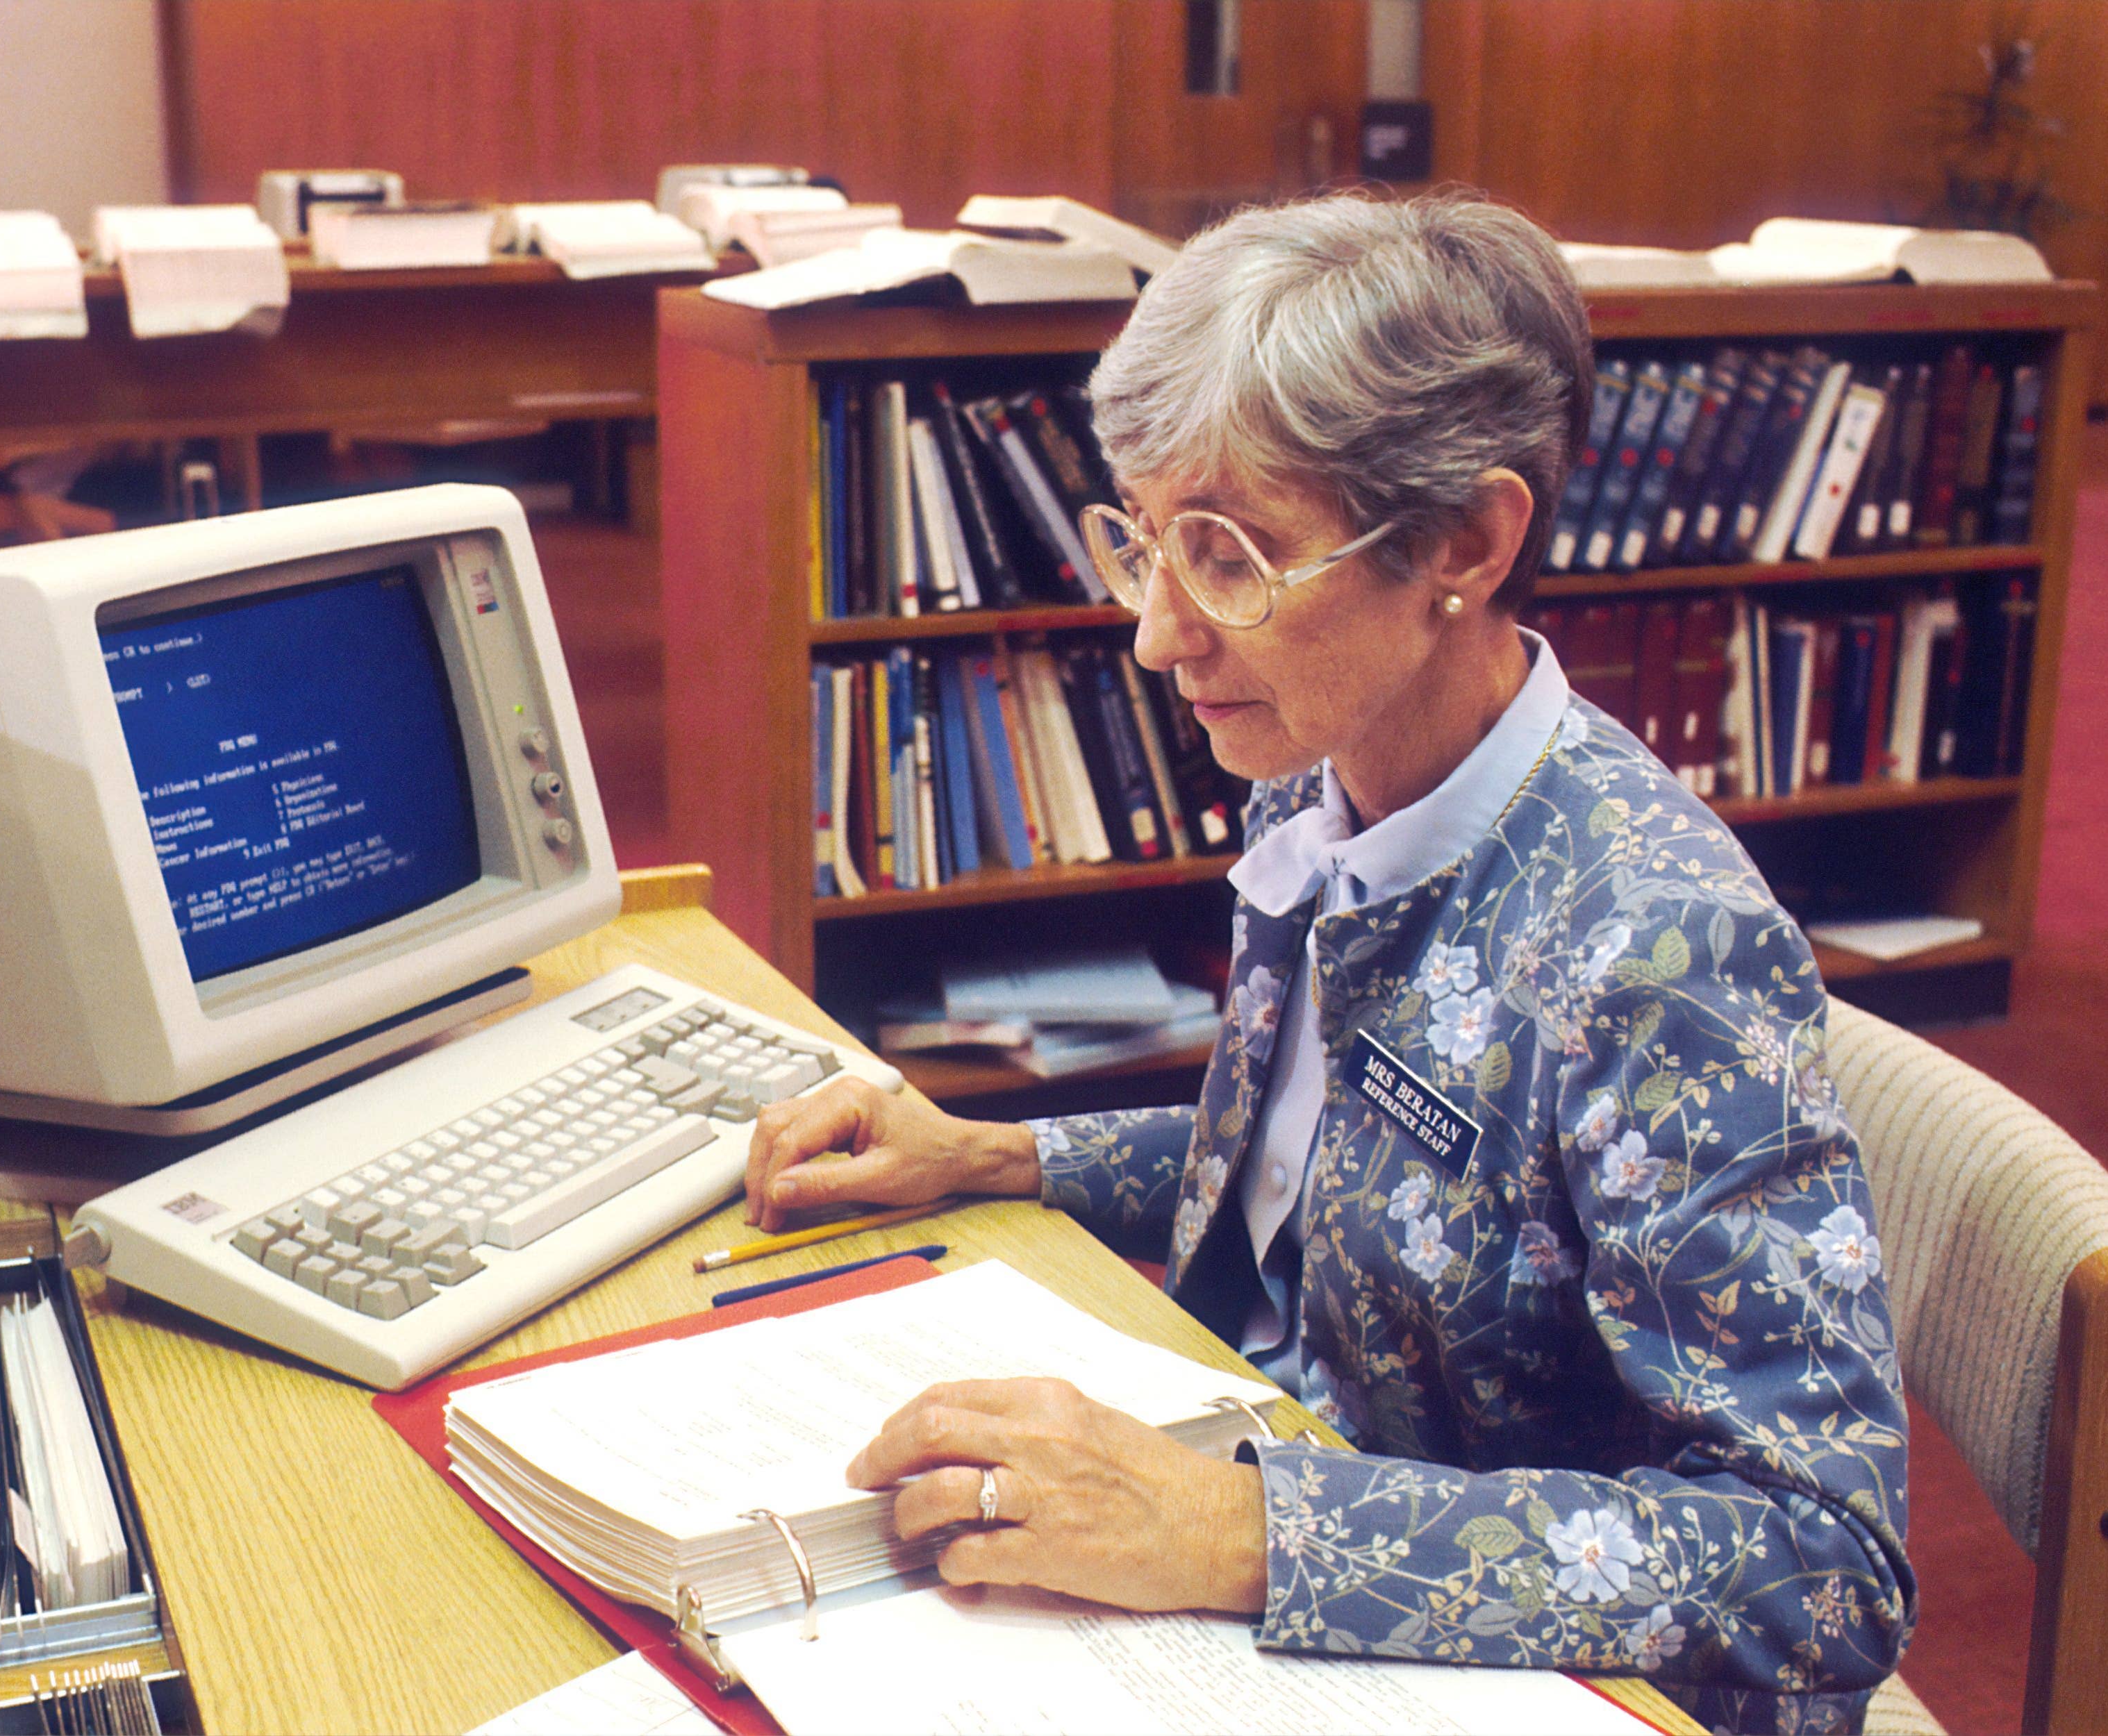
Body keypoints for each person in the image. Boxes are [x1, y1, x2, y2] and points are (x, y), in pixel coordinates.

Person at [745, 190, 1914, 1736]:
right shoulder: (1327, 767)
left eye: (1228, 554)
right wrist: (1002, 1150)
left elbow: (1816, 1560)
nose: (1158, 634)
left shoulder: (1657, 946)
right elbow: (1337, 1161)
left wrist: (1237, 1527)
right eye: (1144, 541)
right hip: (1288, 1525)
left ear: (1466, 542)